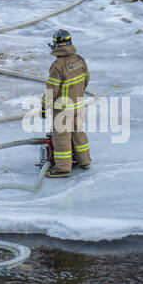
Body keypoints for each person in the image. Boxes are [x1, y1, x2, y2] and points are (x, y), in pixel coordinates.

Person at [42, 29, 90, 177]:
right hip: (78, 105)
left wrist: (45, 107)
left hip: (62, 109)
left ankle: (62, 168)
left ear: (56, 45)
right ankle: (84, 161)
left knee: (61, 137)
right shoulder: (79, 60)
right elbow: (86, 80)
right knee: (78, 133)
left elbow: (51, 90)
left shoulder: (57, 66)